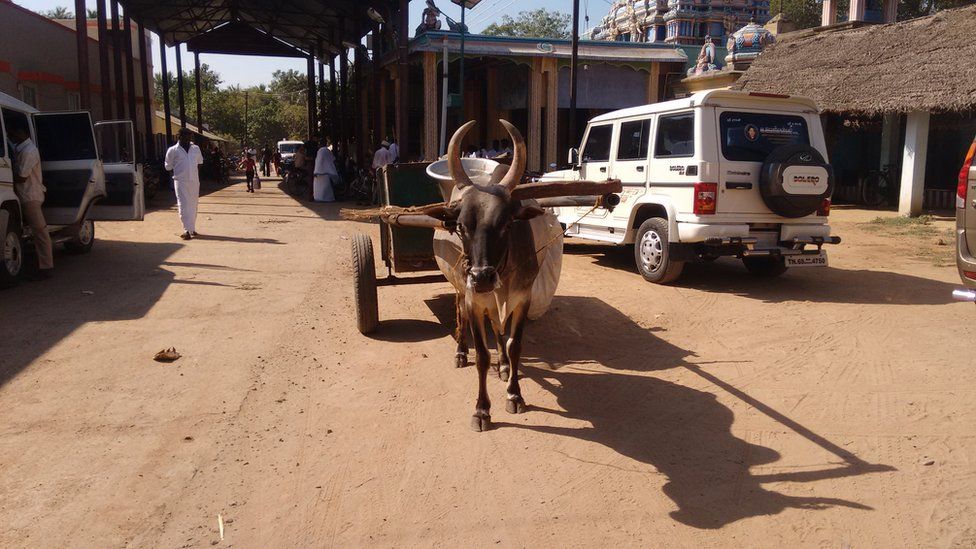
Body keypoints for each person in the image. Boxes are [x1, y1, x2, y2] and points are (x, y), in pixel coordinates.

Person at [8, 119, 53, 280]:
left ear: (21, 133)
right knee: (36, 231)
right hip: (26, 195)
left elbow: (22, 176)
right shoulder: (22, 148)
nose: (11, 136)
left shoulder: (29, 151)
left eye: (13, 133)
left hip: (30, 196)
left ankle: (46, 267)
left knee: (40, 231)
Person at [164, 128, 204, 240]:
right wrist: (179, 174)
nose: (188, 139)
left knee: (193, 204)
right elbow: (168, 167)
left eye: (189, 137)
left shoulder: (196, 149)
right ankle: (186, 230)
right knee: (183, 204)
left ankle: (192, 228)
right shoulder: (173, 150)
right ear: (179, 137)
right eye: (185, 136)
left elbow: (200, 163)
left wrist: (193, 173)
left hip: (194, 181)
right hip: (180, 181)